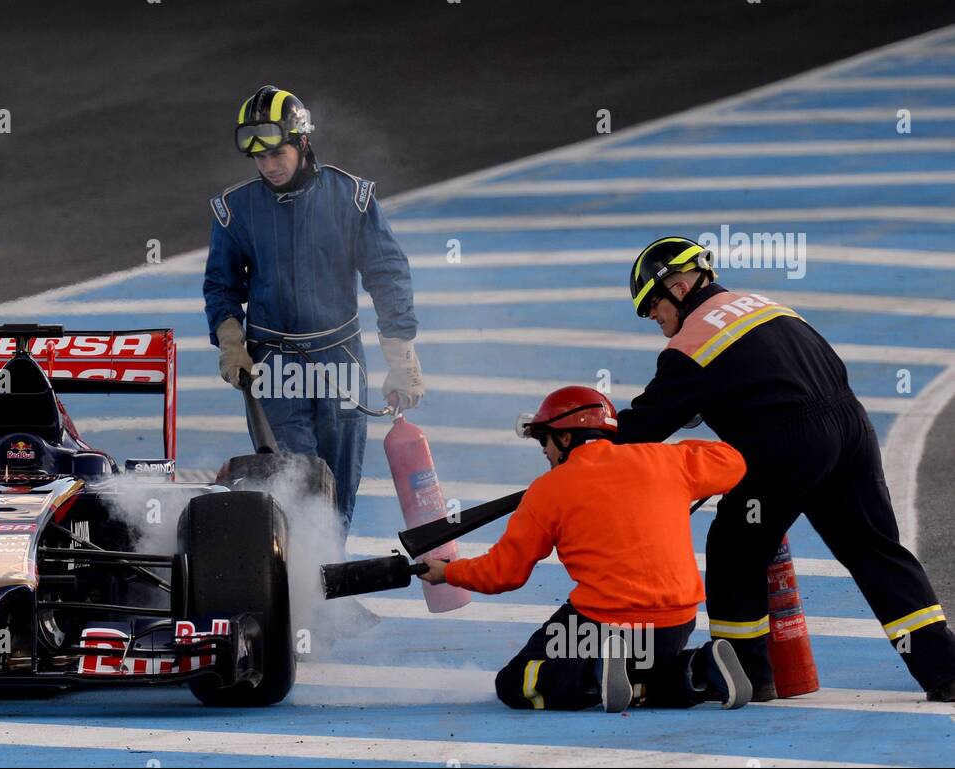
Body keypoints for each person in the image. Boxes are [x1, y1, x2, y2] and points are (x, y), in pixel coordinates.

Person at [616, 236, 955, 702]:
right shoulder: (765, 304)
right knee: (875, 549)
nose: (655, 321)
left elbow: (643, 426)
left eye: (652, 307)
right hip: (851, 425)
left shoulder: (689, 345)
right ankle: (944, 668)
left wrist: (585, 446)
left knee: (735, 545)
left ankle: (745, 671)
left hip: (788, 440)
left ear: (677, 286)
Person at [419, 386, 752, 712]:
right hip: (676, 625)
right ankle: (696, 668)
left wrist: (449, 572)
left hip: (603, 625)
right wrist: (652, 455)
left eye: (545, 441)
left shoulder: (547, 490)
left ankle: (592, 675)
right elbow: (732, 461)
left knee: (517, 683)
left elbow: (503, 574)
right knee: (639, 669)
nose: (545, 452)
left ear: (565, 438)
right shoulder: (666, 460)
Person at [202, 85, 424, 531]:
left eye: (276, 153)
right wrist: (230, 342)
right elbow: (222, 287)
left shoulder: (353, 198)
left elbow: (387, 273)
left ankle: (327, 591)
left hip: (341, 356)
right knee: (295, 485)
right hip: (274, 362)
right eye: (259, 159)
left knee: (339, 488)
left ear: (302, 142)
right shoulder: (235, 209)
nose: (268, 166)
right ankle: (299, 590)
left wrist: (402, 358)